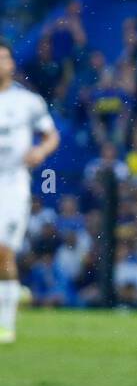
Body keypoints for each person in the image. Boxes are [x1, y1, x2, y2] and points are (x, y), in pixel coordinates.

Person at [0, 40, 60, 344]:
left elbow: (52, 135)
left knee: (3, 252)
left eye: (4, 58)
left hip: (12, 183)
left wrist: (40, 152)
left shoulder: (28, 102)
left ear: (12, 64)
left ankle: (5, 325)